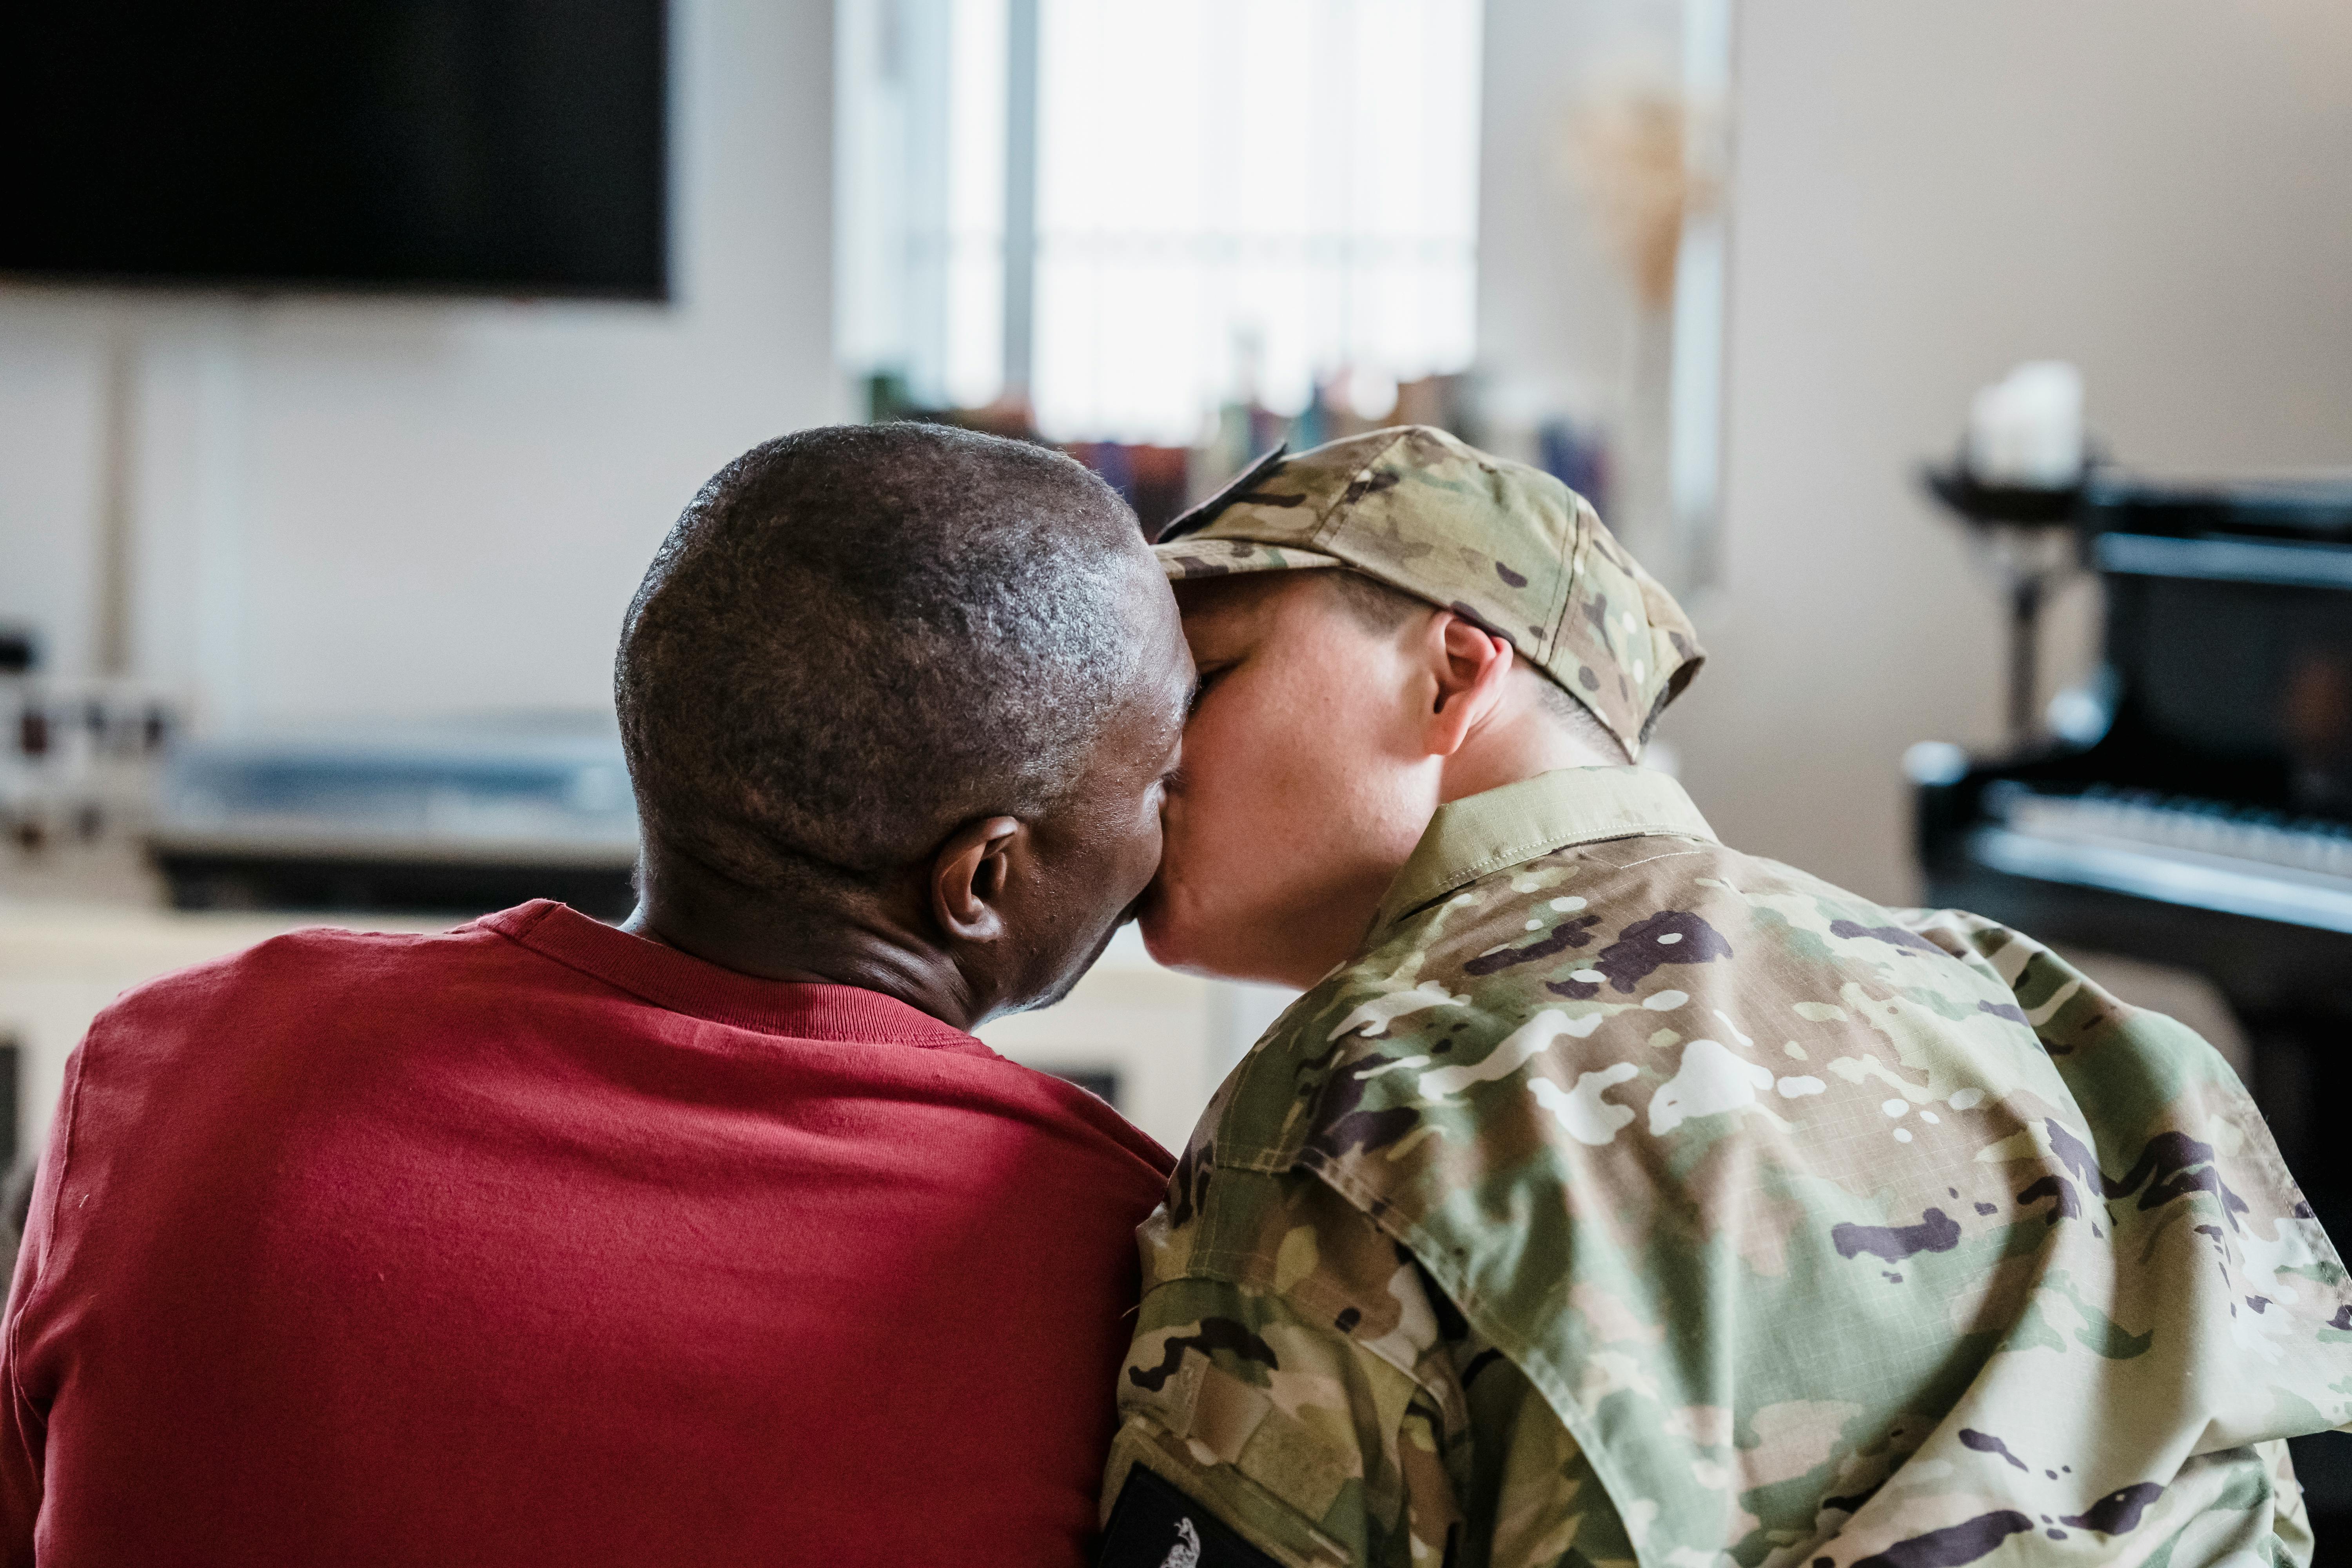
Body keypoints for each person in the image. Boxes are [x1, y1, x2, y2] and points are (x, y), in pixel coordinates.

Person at [1095, 425, 2352, 1568]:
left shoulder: (1353, 1100)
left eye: (1202, 679)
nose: (1139, 751)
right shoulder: (2023, 1001)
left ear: (1454, 673)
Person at [0, 423, 1191, 1567]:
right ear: (981, 878)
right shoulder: (1118, 1251)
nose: (1175, 823)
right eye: (1162, 781)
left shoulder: (179, 1060)